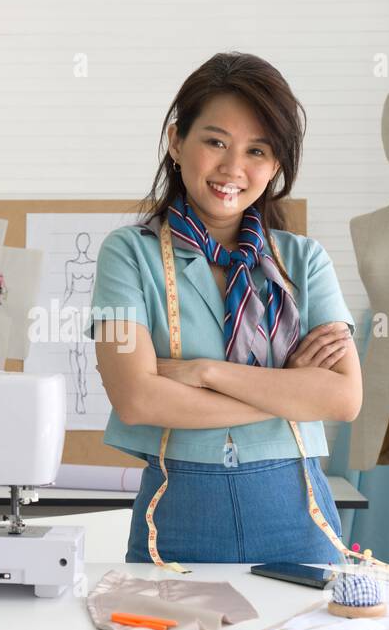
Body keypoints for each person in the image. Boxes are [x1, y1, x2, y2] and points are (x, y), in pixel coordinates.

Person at [88, 52, 361, 566]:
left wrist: (204, 372)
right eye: (215, 141)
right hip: (179, 516)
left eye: (257, 150)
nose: (233, 168)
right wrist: (291, 394)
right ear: (176, 140)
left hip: (297, 513)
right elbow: (138, 400)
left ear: (276, 164)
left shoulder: (304, 261)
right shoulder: (129, 254)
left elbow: (343, 398)